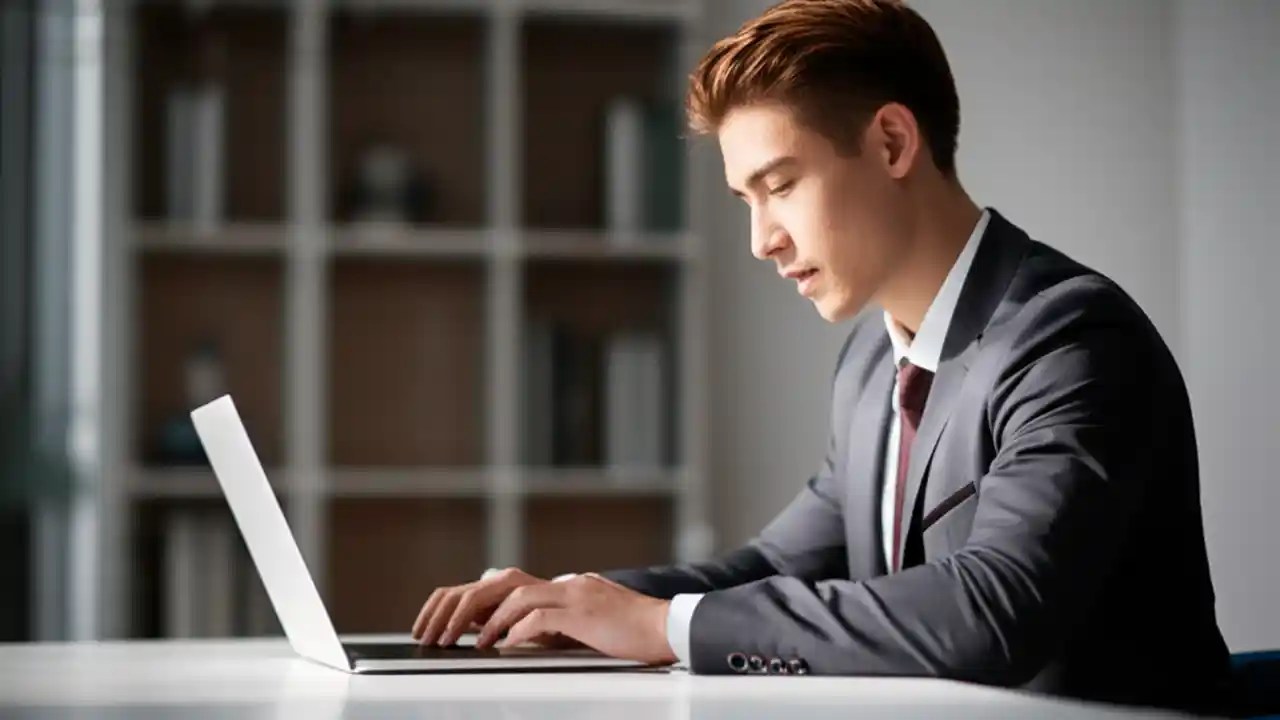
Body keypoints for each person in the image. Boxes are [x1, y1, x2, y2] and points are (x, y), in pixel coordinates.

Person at [410, 0, 1229, 711]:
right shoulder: (872, 366)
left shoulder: (1070, 340)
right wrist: (575, 606)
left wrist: (663, 626)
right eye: (747, 199)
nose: (761, 240)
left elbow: (994, 609)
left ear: (892, 142)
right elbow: (782, 563)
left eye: (780, 186)